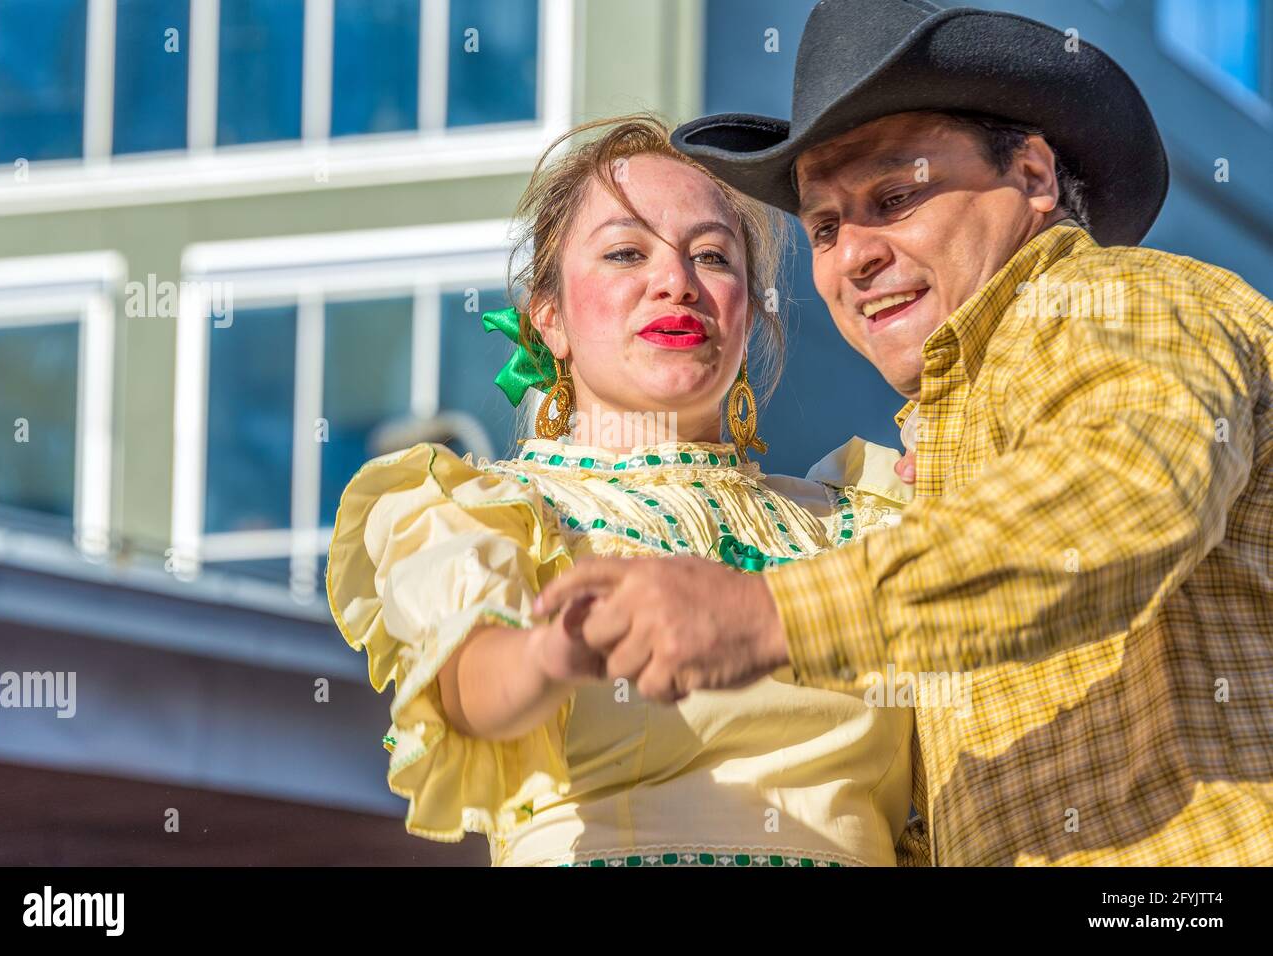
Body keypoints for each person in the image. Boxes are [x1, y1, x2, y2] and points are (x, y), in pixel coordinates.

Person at [534, 0, 1273, 866]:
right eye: (824, 227)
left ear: (1035, 176)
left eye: (895, 196)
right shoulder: (922, 462)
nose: (853, 258)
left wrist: (767, 612)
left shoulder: (1118, 301)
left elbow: (1125, 501)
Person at [325, 115, 917, 867]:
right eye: (625, 252)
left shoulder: (868, 515)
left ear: (748, 316)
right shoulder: (485, 507)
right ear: (551, 320)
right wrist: (556, 650)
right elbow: (472, 691)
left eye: (711, 256)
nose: (676, 282)